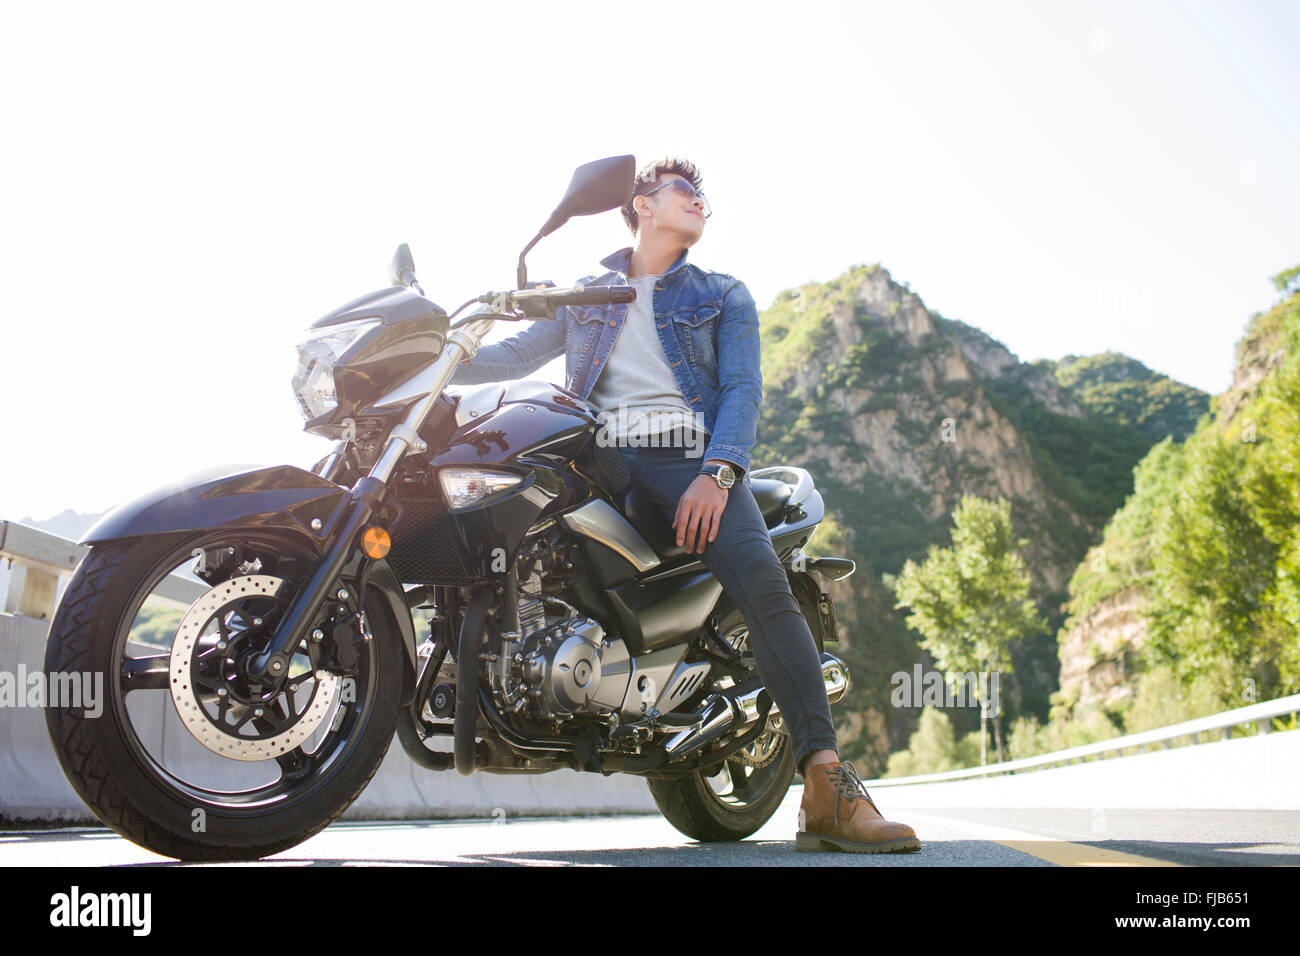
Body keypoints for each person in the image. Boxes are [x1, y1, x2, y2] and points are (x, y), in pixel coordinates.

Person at [451, 157, 919, 854]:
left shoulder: (722, 294)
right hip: (595, 457)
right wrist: (431, 358)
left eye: (704, 196)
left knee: (762, 584)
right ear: (641, 203)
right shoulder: (586, 295)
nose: (702, 203)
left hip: (682, 456)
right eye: (685, 191)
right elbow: (513, 356)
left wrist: (719, 472)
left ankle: (826, 785)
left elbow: (741, 392)